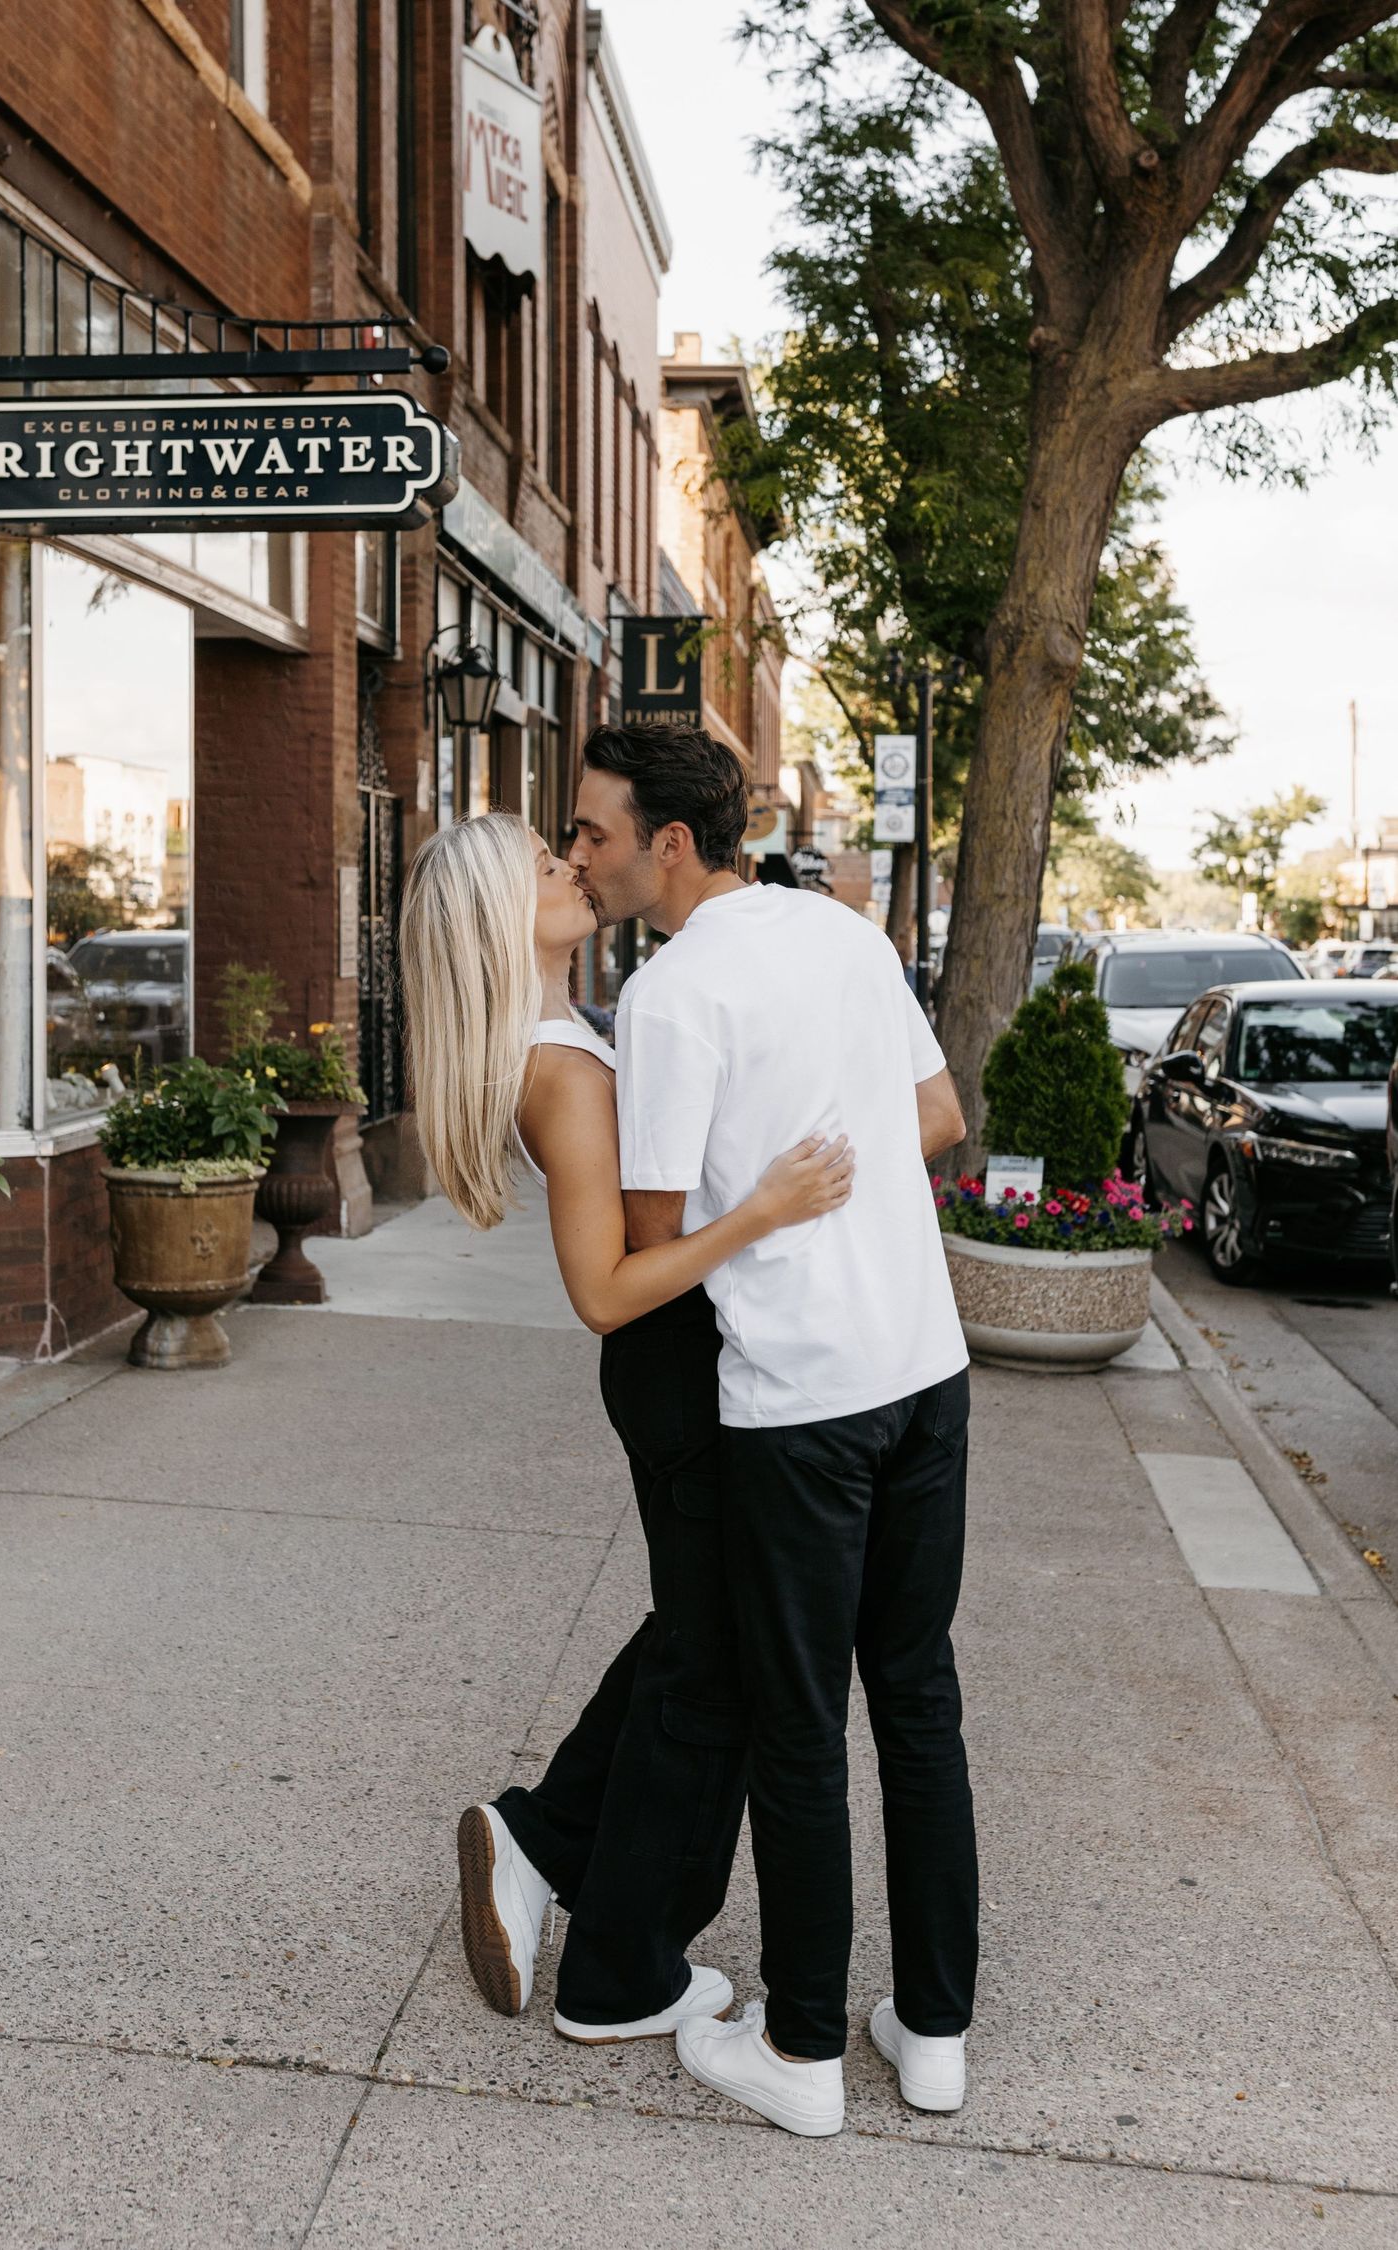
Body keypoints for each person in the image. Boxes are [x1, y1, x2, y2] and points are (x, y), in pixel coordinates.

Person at [567, 721, 974, 2139]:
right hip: (927, 1367)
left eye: (598, 833)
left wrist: (772, 1209)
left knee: (801, 1729)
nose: (585, 856)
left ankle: (804, 2054)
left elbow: (648, 1245)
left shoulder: (673, 998)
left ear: (669, 843)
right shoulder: (843, 931)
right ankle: (933, 2035)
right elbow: (935, 1111)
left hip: (799, 1402)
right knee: (917, 1700)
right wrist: (834, 1168)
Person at [397, 809, 853, 2046]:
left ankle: (543, 1844)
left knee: (701, 1645)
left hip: (677, 1368)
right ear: (504, 915)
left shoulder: (560, 1040)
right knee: (718, 1671)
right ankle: (625, 1964)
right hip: (669, 1365)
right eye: (547, 867)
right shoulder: (561, 1064)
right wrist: (762, 1209)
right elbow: (604, 1290)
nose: (574, 869)